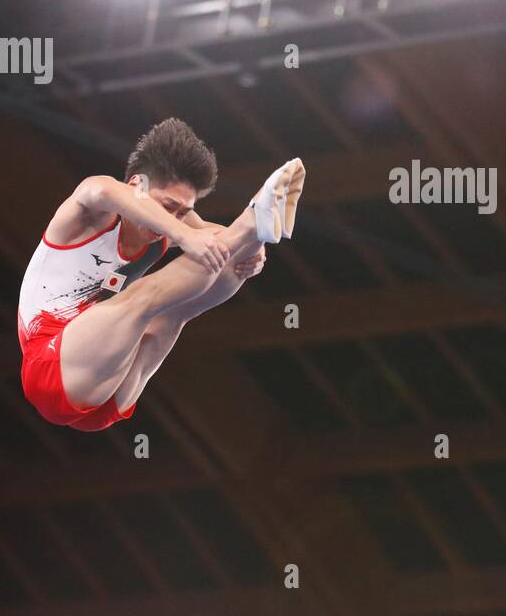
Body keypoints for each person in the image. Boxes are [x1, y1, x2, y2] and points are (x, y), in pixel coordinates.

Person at [16, 117, 303, 431]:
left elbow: (214, 238)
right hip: (51, 368)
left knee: (181, 302)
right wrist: (188, 235)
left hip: (110, 392)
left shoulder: (171, 223)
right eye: (168, 206)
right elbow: (101, 191)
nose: (176, 217)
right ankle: (252, 224)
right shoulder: (92, 210)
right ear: (137, 185)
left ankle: (255, 230)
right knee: (144, 297)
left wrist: (252, 251)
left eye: (183, 212)